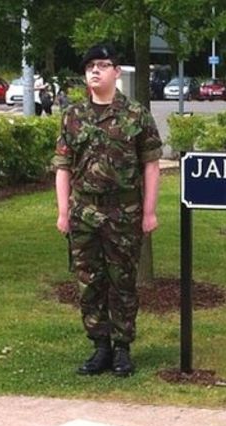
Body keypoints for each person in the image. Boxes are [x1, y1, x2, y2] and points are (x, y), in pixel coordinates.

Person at [52, 43, 162, 377]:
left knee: (122, 282)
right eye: (90, 67)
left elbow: (151, 165)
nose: (95, 71)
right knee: (89, 282)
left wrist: (149, 212)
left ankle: (122, 349)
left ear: (116, 71)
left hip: (123, 213)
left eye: (102, 65)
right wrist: (63, 212)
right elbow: (63, 166)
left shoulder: (136, 114)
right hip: (84, 213)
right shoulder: (73, 115)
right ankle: (100, 347)